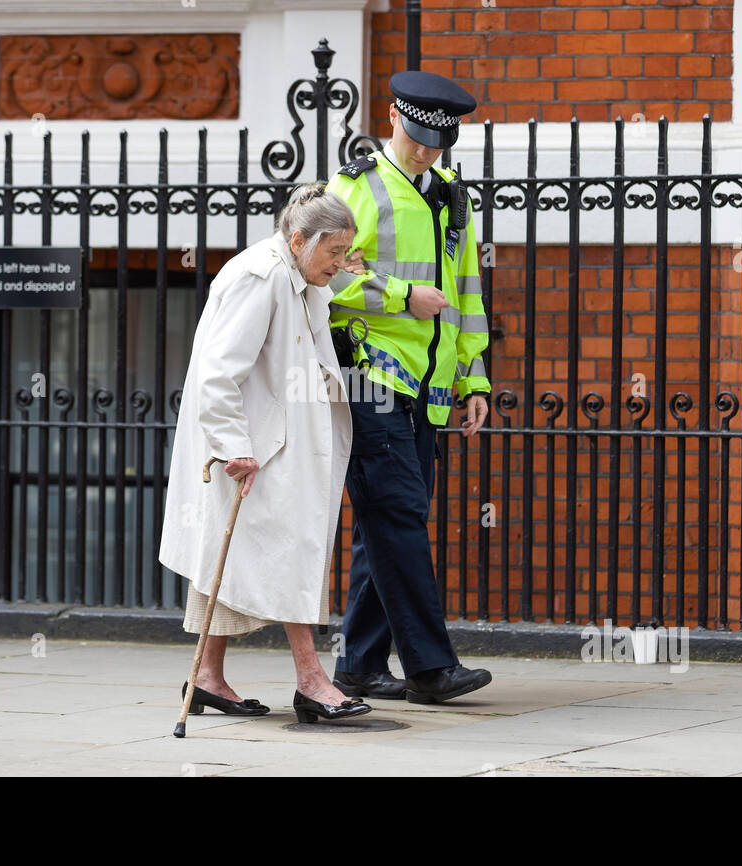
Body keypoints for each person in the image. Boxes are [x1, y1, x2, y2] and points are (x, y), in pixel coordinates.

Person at [158, 183, 372, 725]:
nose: (341, 263)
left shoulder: (293, 271)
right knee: (287, 553)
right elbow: (218, 372)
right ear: (299, 239)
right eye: (334, 252)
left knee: (228, 556)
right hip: (255, 451)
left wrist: (341, 270)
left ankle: (207, 676)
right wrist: (233, 447)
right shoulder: (265, 276)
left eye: (346, 252)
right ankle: (312, 681)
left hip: (270, 444)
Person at [324, 70, 493, 704]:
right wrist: (399, 295)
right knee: (397, 514)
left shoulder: (452, 195)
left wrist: (472, 377)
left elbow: (468, 292)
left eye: (436, 142)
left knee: (386, 522)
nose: (424, 150)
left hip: (430, 386)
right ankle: (429, 666)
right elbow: (320, 273)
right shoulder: (352, 190)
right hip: (372, 376)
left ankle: (360, 666)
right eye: (416, 135)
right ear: (393, 117)